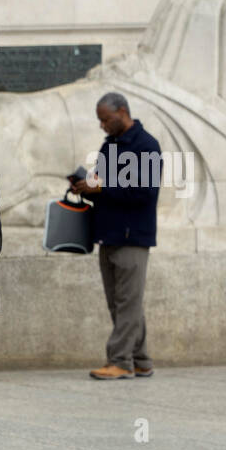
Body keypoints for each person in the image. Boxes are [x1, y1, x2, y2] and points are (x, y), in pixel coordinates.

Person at [71, 93, 161, 380]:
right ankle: (141, 359)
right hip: (107, 234)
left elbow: (145, 193)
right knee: (122, 303)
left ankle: (121, 361)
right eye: (99, 120)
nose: (102, 125)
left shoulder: (146, 146)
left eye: (105, 119)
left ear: (122, 112)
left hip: (132, 237)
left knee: (127, 302)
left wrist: (102, 188)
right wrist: (85, 187)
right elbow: (104, 187)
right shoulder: (109, 147)